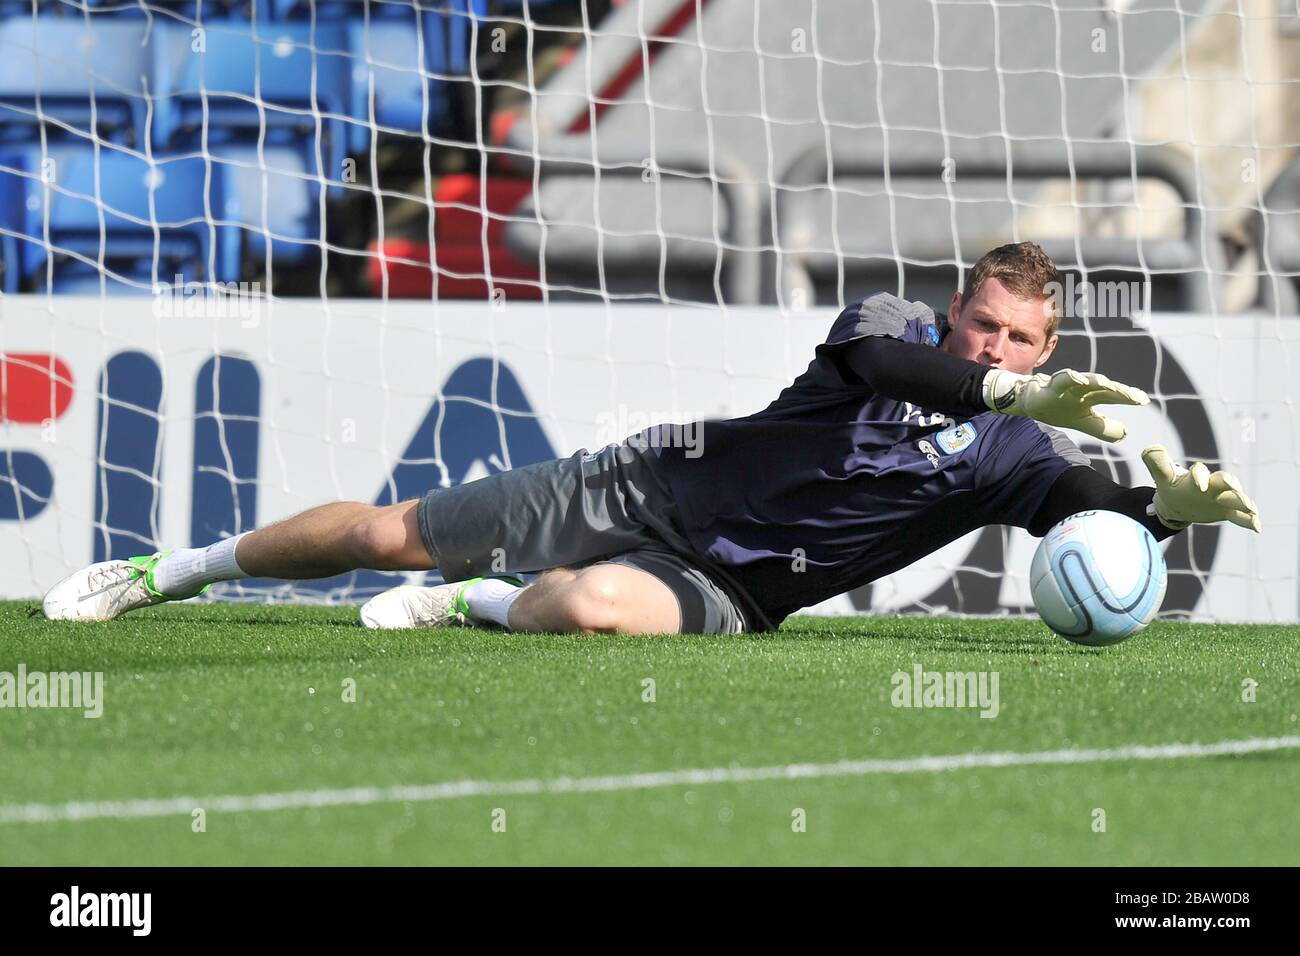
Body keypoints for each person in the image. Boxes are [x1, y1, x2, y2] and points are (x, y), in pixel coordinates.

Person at [43, 242, 1260, 632]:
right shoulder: (891, 325)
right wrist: (991, 392)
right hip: (646, 479)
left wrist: (1168, 514)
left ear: (1046, 346)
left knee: (581, 612)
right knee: (391, 528)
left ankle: (478, 605)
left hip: (726, 581)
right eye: (982, 326)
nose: (993, 348)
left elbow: (1081, 513)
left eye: (1016, 342)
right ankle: (170, 571)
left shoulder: (1010, 459)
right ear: (960, 312)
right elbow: (891, 370)